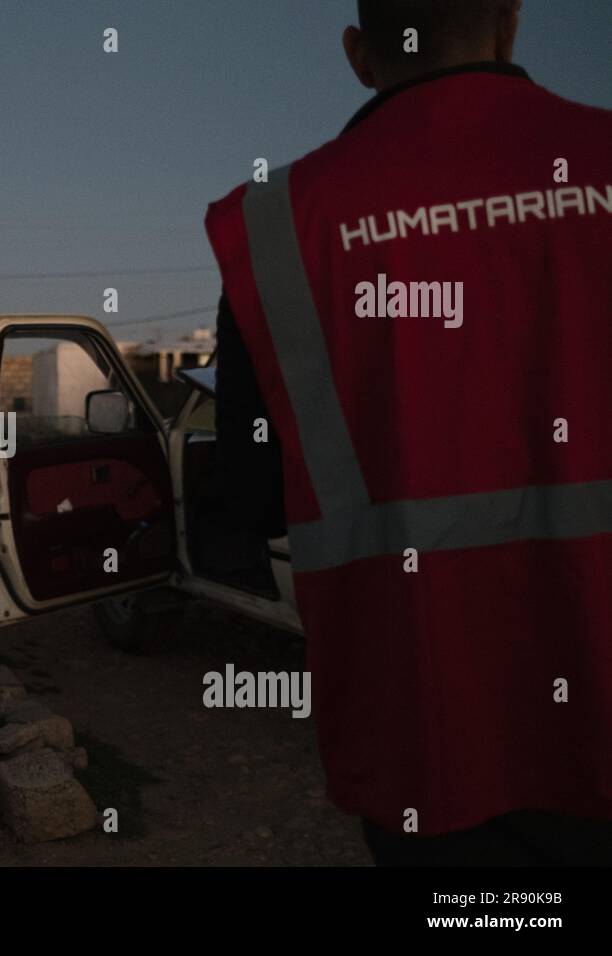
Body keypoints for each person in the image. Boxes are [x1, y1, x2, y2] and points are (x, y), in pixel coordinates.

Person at [208, 0, 612, 864]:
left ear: (359, 54)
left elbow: (249, 502)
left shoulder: (276, 226)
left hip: (424, 729)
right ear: (509, 26)